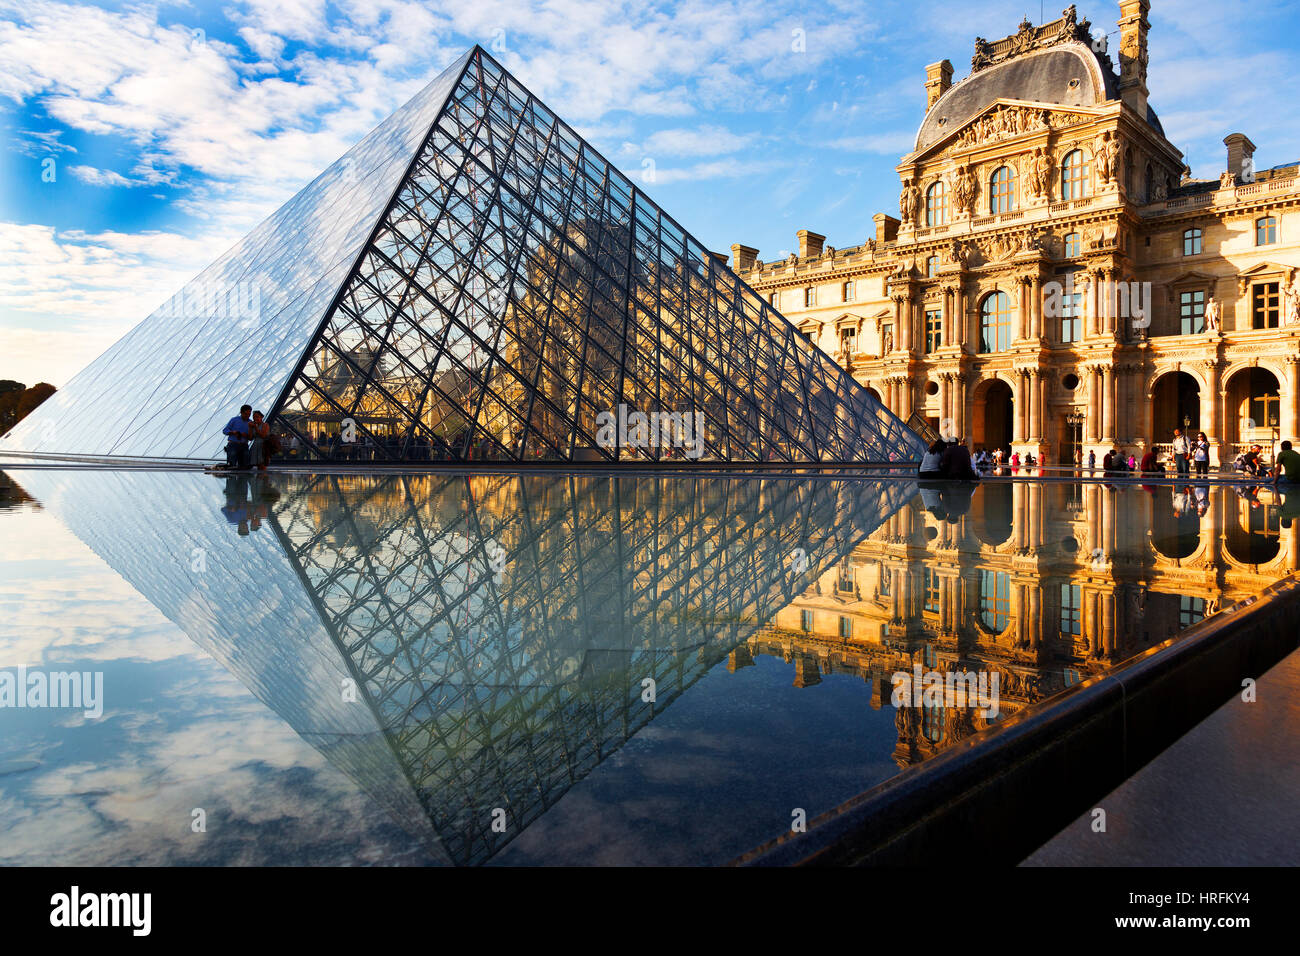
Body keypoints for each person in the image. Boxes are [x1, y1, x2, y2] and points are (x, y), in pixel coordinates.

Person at [222, 404, 253, 470]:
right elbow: (225, 430)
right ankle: (231, 479)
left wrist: (246, 435)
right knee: (231, 465)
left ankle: (242, 479)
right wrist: (233, 432)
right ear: (241, 412)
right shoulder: (234, 420)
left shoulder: (250, 423)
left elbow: (251, 438)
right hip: (233, 444)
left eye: (249, 414)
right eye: (246, 414)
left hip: (244, 445)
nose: (247, 416)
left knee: (245, 466)